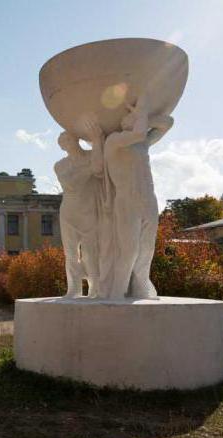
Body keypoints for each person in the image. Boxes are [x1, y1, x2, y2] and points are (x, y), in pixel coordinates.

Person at [103, 93, 173, 299]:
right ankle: (118, 291)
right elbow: (139, 133)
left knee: (147, 248)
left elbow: (168, 123)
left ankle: (141, 288)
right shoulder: (113, 141)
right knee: (129, 249)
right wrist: (140, 114)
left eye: (130, 115)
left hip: (148, 198)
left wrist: (143, 116)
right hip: (127, 199)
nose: (128, 117)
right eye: (125, 116)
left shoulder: (142, 143)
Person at [54, 119, 105, 297]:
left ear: (76, 140)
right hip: (69, 211)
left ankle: (95, 287)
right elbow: (72, 183)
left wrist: (97, 140)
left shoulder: (92, 155)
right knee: (71, 253)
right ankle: (74, 288)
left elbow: (99, 169)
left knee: (91, 252)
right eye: (64, 141)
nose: (68, 143)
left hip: (89, 210)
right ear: (61, 147)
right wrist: (89, 169)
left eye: (69, 139)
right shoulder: (60, 165)